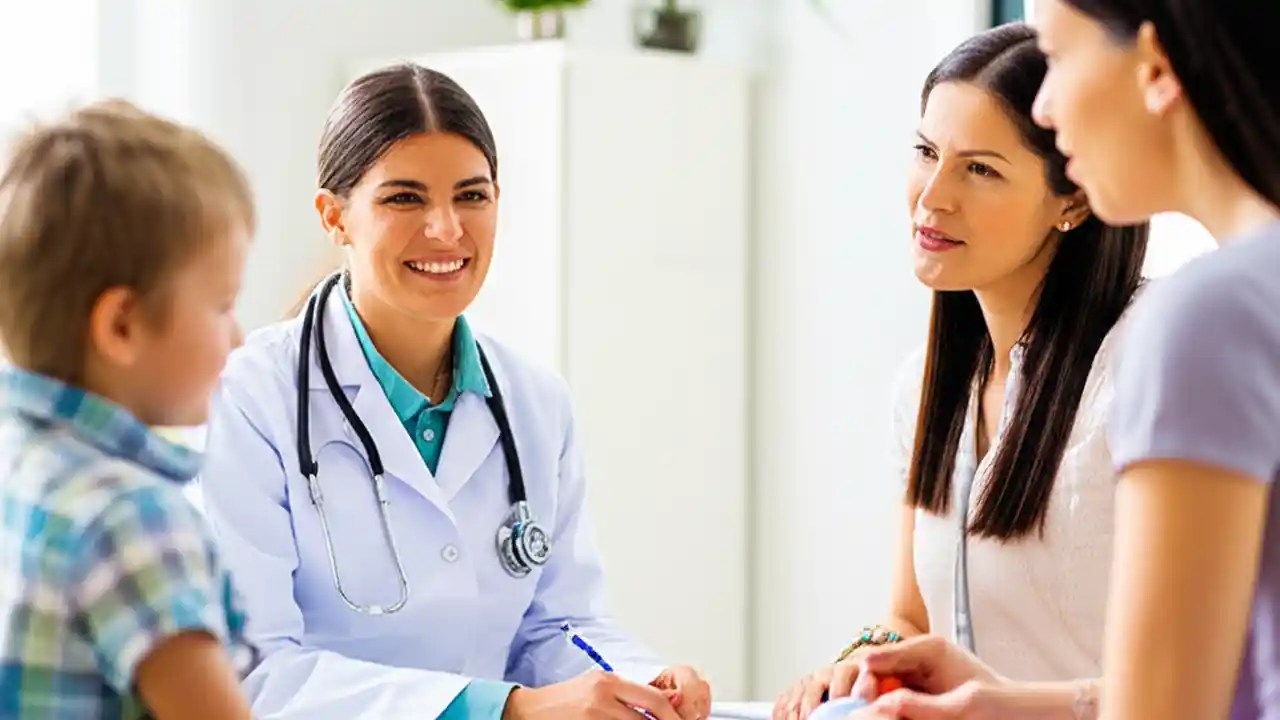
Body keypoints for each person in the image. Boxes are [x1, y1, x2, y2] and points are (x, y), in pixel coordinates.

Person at [199, 63, 711, 720]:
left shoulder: (533, 401)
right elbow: (254, 672)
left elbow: (558, 626)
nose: (446, 230)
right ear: (335, 217)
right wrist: (503, 709)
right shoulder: (253, 396)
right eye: (404, 198)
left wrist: (644, 680)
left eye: (472, 196)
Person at [843, 0, 1280, 718]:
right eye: (925, 151)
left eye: (1060, 54)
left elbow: (1170, 705)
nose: (1049, 101)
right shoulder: (930, 379)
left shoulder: (1196, 324)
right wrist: (1000, 700)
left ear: (1155, 66)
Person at [773, 22, 1149, 720]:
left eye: (980, 168)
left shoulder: (1144, 365)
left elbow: (1213, 674)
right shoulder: (925, 385)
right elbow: (911, 618)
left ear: (1073, 198)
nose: (931, 196)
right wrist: (861, 662)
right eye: (925, 152)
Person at [0, 101, 255, 718]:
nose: (240, 337)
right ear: (122, 325)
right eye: (222, 305)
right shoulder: (133, 518)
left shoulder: (18, 458)